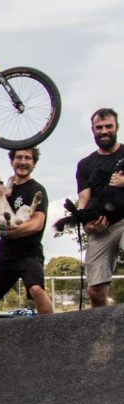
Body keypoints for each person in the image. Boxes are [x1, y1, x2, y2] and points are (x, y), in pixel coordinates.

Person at [0, 148, 52, 319]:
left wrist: (4, 233)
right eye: (19, 157)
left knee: (37, 290)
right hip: (6, 257)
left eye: (28, 158)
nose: (23, 162)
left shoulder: (37, 189)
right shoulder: (2, 188)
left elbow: (36, 225)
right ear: (11, 161)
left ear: (34, 163)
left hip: (29, 254)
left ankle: (52, 338)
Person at [74, 107, 124, 308]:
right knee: (95, 290)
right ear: (93, 130)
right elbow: (83, 199)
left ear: (117, 127)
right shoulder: (86, 164)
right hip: (101, 227)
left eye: (108, 126)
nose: (104, 131)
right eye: (99, 127)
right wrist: (86, 224)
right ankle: (105, 336)